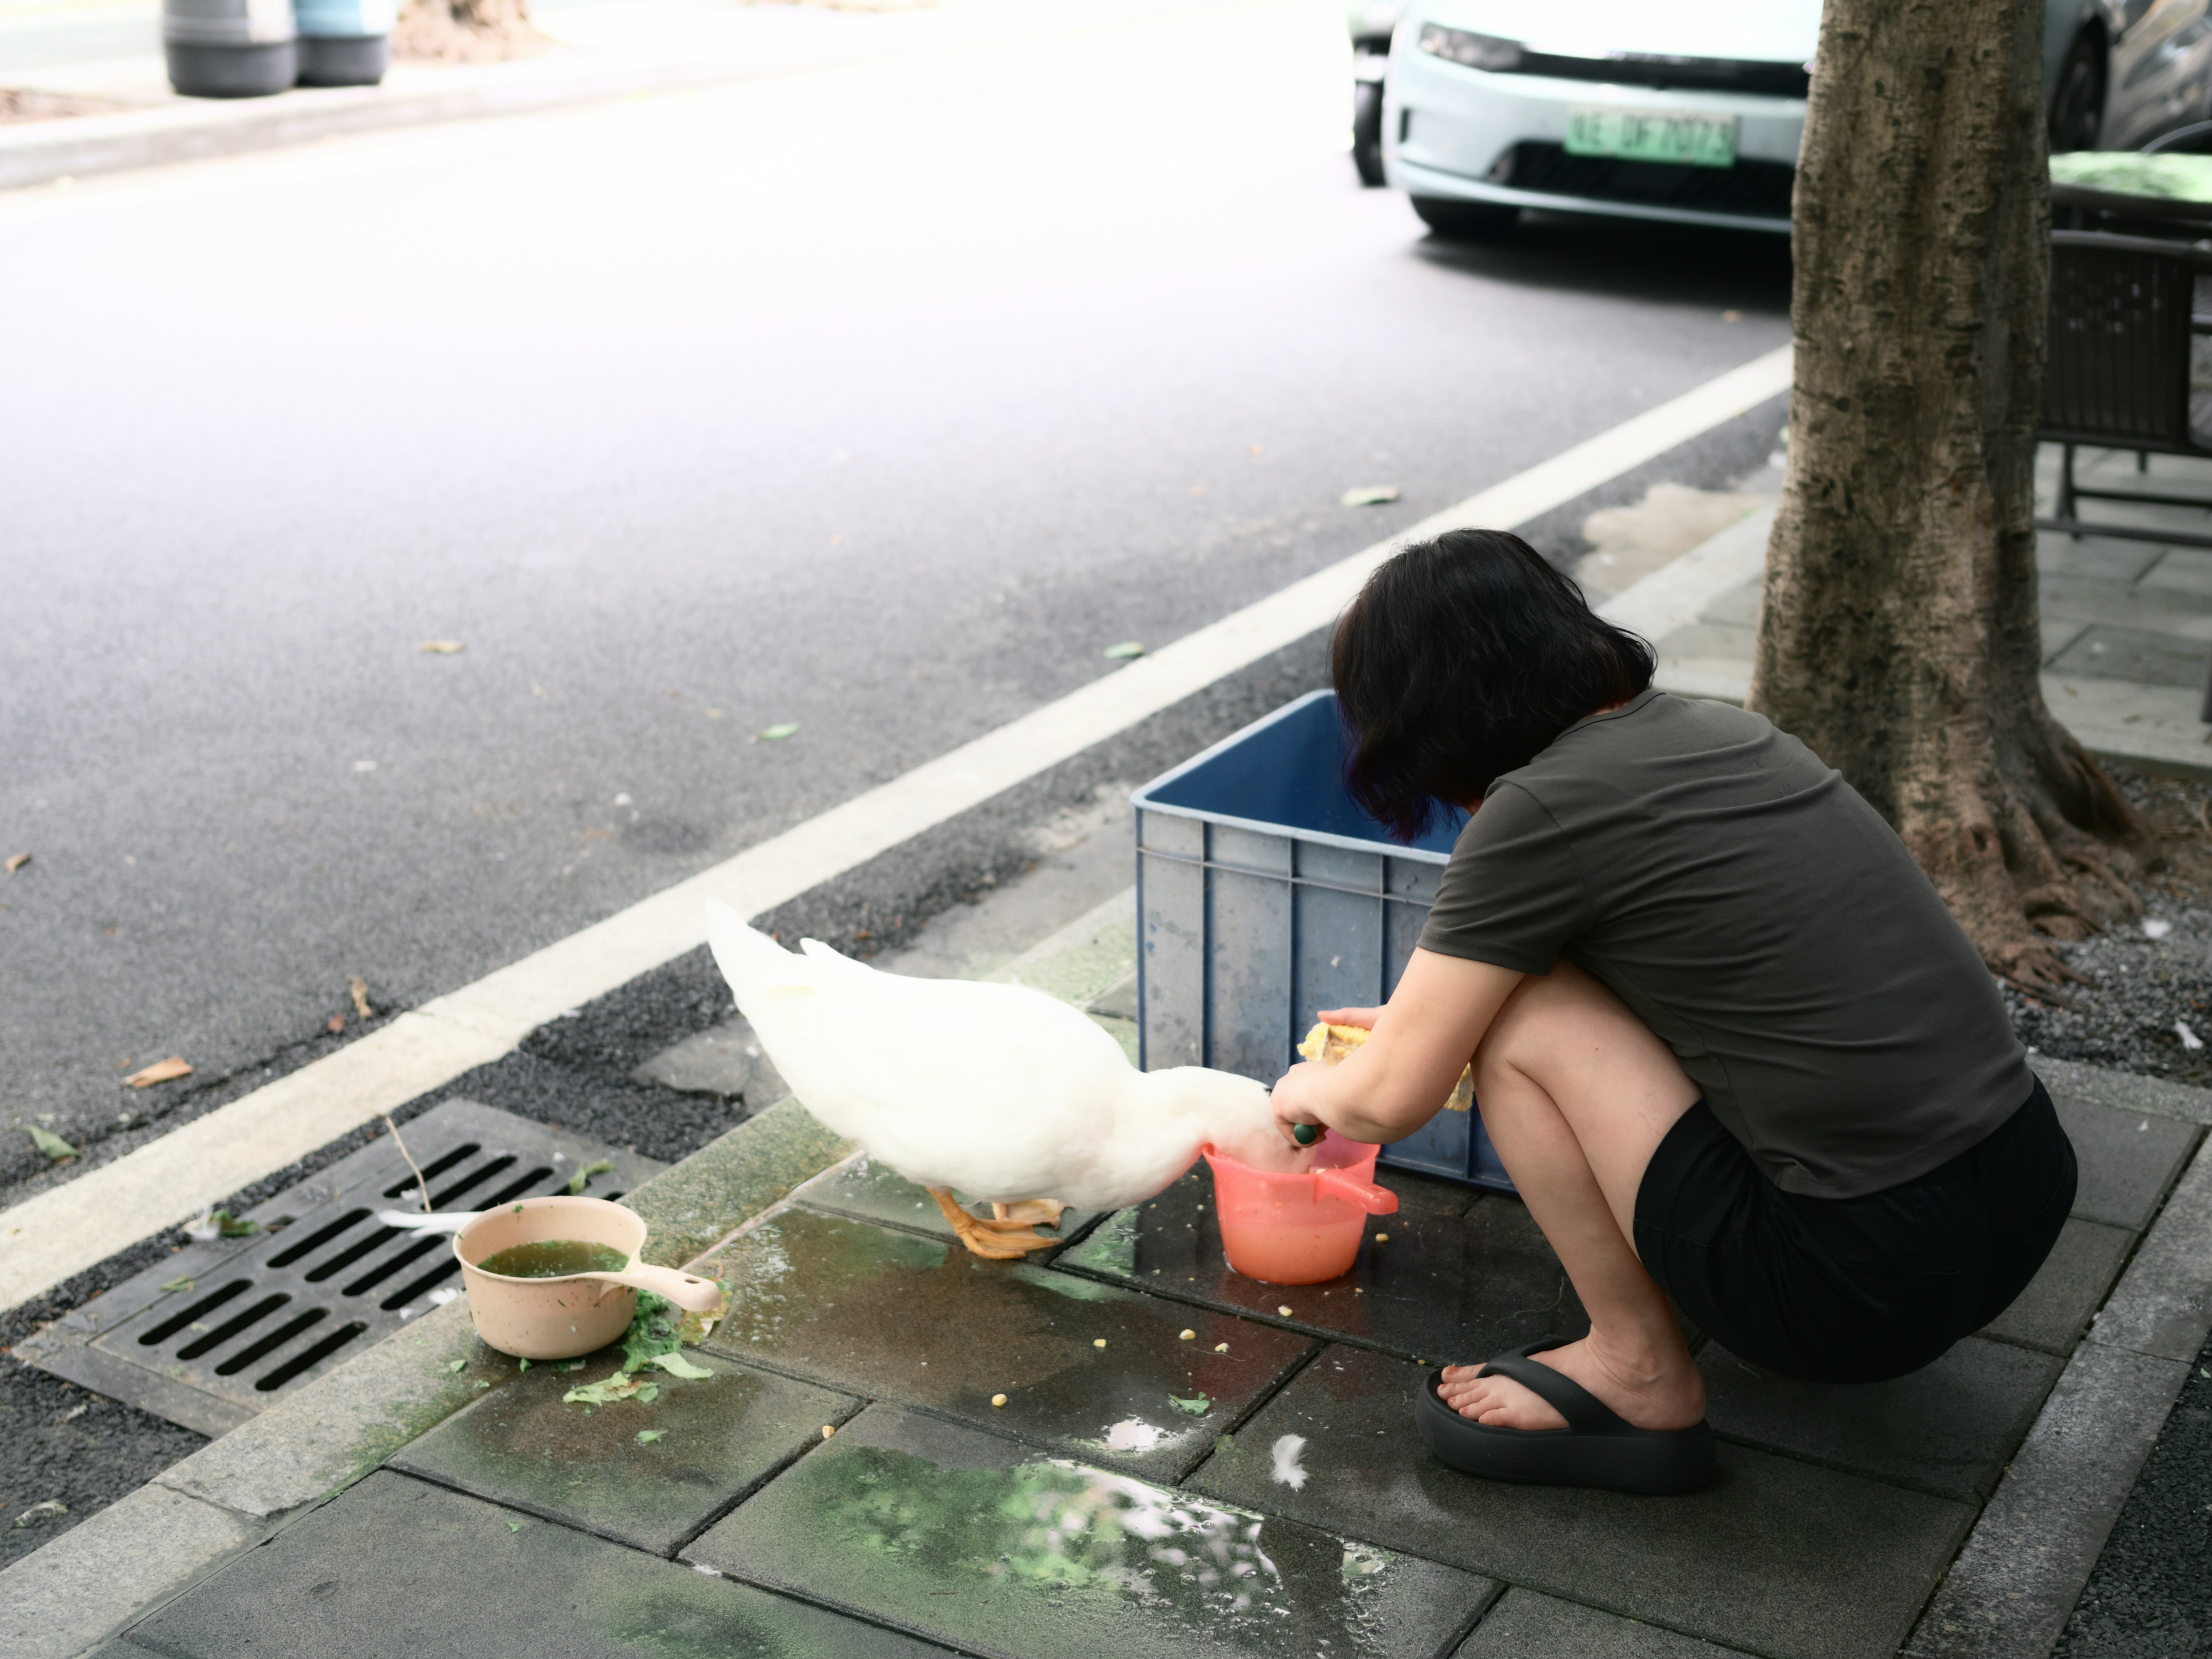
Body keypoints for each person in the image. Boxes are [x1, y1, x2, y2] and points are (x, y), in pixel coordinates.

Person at [1267, 528, 2077, 1494]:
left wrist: (1307, 1088)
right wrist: (1418, 1026)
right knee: (1510, 998)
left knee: (1515, 1022)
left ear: (1424, 715)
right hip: (2019, 1196)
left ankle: (1635, 1369)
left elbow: (1390, 1101)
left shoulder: (1537, 808)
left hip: (1860, 1283)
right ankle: (1687, 1303)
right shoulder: (1723, 732)